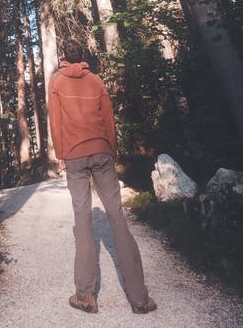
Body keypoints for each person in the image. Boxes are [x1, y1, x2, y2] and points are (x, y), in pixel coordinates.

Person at [48, 39, 157, 315]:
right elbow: (109, 119)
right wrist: (113, 150)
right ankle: (140, 299)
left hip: (73, 156)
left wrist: (61, 153)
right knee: (117, 217)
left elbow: (55, 122)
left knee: (82, 221)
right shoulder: (96, 81)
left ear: (63, 57)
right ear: (82, 56)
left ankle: (85, 296)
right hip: (101, 151)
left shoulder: (57, 82)